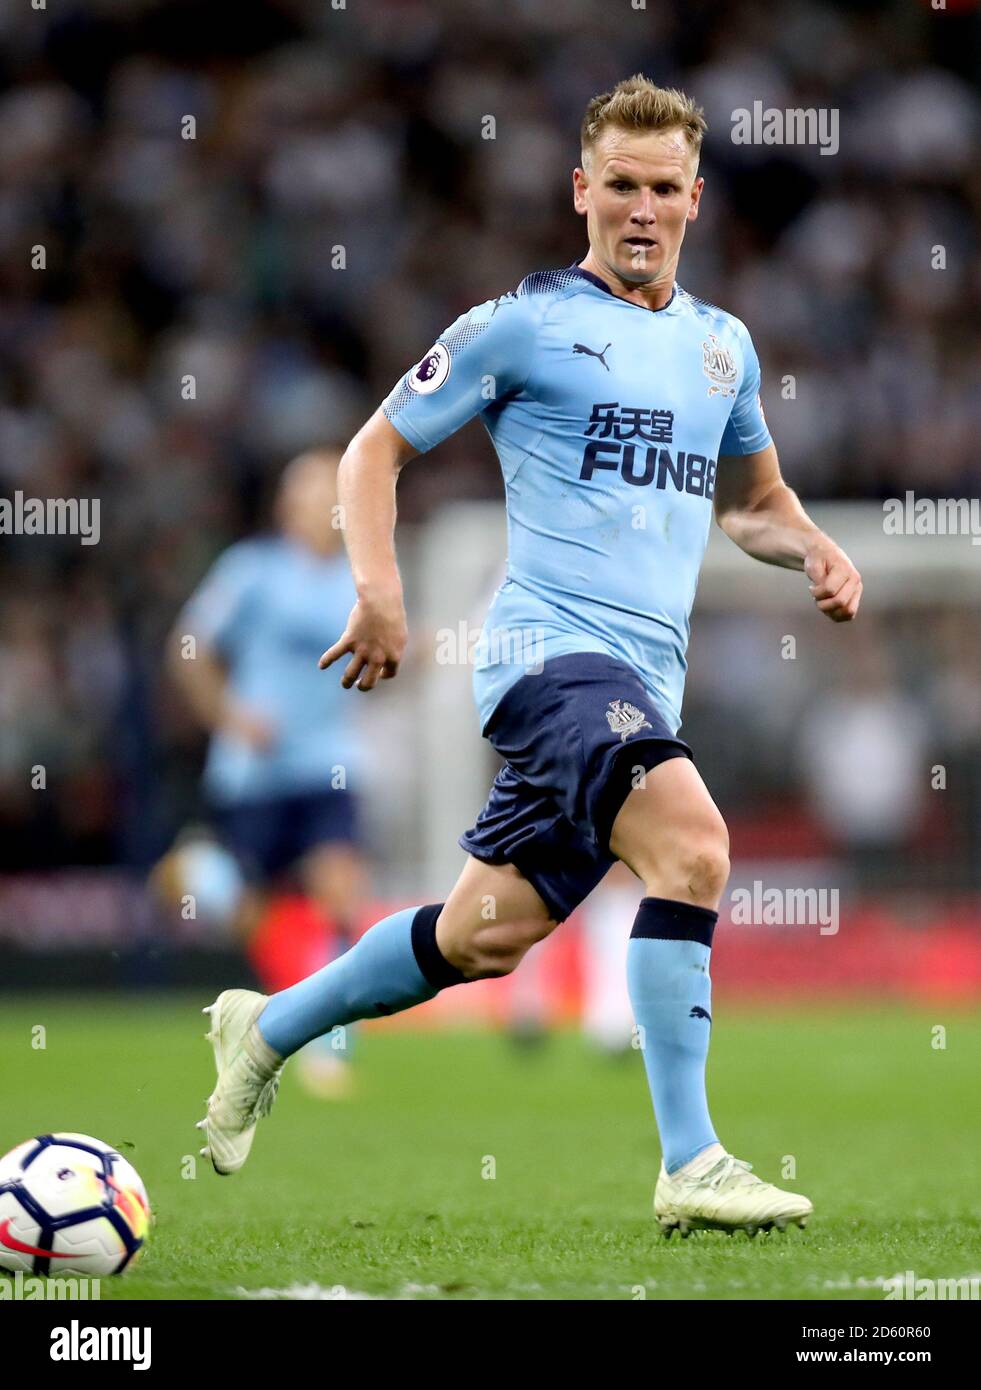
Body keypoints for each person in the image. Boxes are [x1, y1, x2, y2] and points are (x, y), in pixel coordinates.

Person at [198, 77, 862, 1236]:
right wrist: (380, 590)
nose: (641, 209)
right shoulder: (525, 323)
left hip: (638, 683)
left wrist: (806, 544)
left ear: (695, 199)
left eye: (664, 188)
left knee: (480, 936)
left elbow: (750, 504)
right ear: (581, 191)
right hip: (548, 663)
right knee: (695, 843)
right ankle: (691, 1160)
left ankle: (267, 1027)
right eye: (620, 186)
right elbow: (370, 453)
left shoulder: (722, 350)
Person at [171, 449, 371, 1097]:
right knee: (251, 910)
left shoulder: (360, 580)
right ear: (288, 505)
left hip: (327, 766)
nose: (325, 508)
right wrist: (229, 715)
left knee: (339, 889)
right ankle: (197, 868)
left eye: (333, 495)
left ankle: (331, 1043)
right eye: (313, 494)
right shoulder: (251, 571)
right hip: (253, 773)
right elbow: (188, 647)